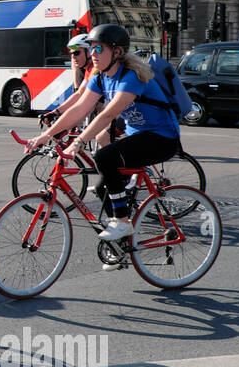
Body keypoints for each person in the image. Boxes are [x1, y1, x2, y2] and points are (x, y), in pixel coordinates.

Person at [25, 24, 181, 247]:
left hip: (162, 138)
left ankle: (123, 220)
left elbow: (108, 114)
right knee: (101, 187)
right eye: (91, 49)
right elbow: (79, 109)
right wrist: (47, 135)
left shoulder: (131, 76)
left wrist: (79, 142)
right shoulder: (100, 79)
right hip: (137, 136)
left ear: (116, 52)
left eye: (99, 49)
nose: (92, 55)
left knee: (104, 157)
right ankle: (123, 245)